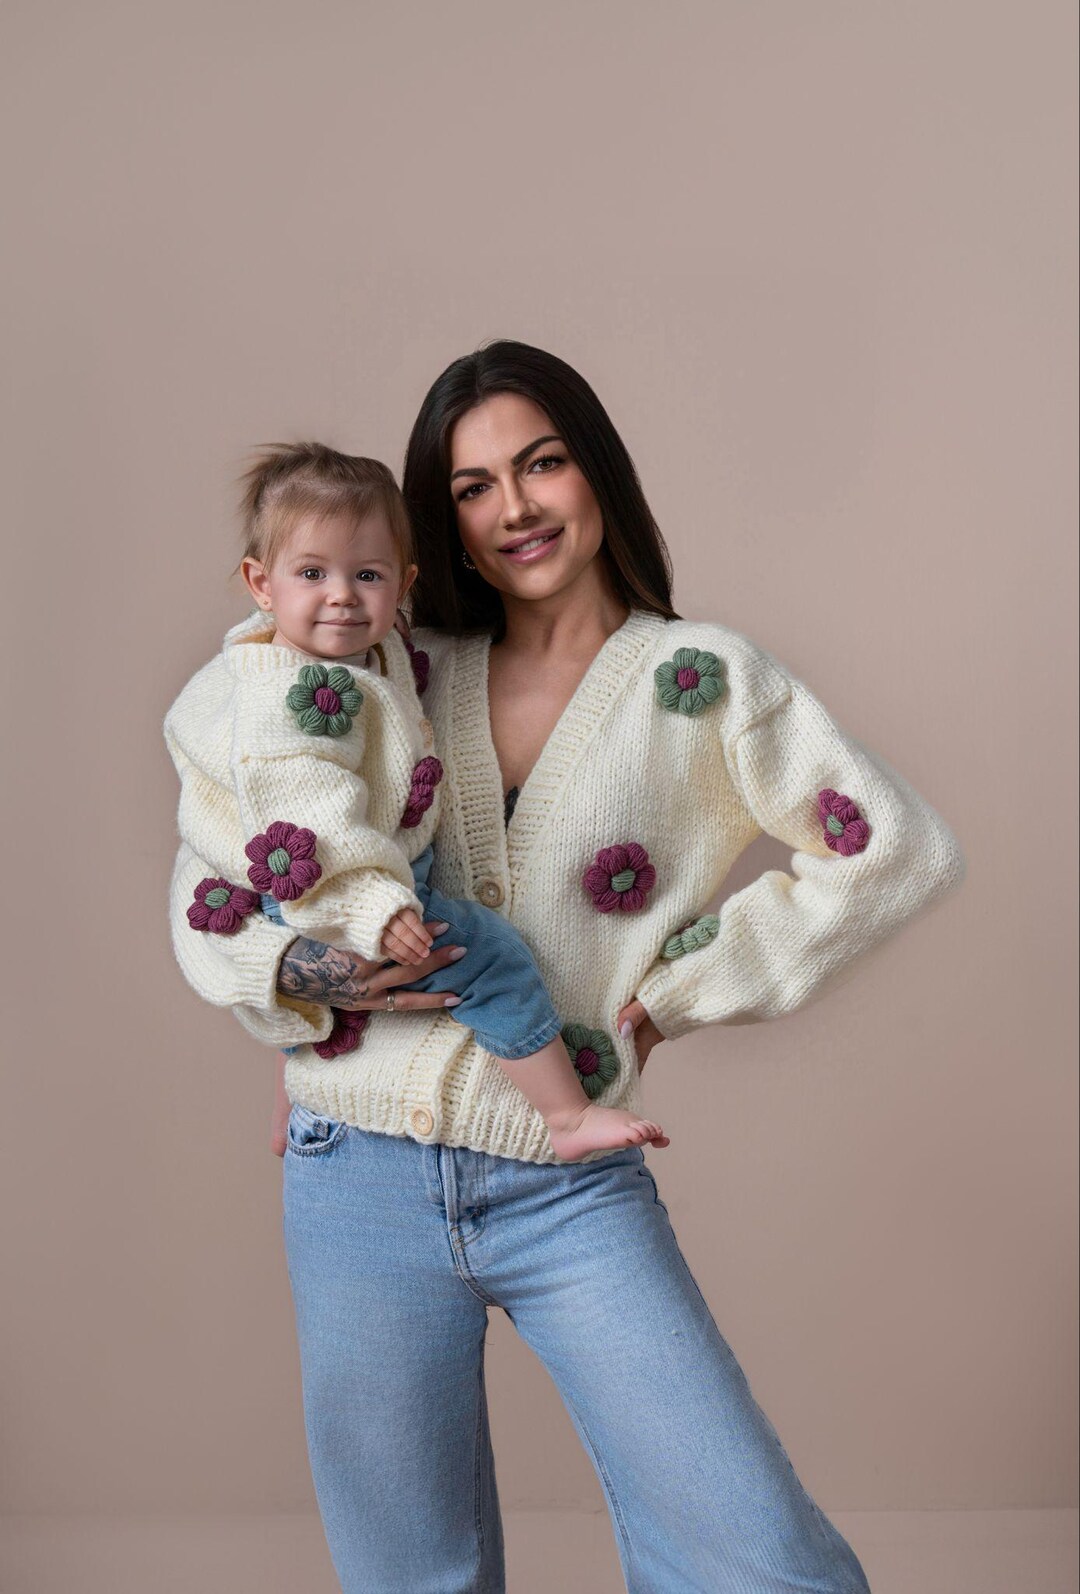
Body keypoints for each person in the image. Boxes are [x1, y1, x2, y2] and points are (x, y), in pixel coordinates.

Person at [167, 341, 964, 1593]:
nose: (518, 507)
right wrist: (301, 982)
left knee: (758, 1559)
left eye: (541, 463)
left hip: (562, 1181)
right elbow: (225, 849)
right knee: (406, 1574)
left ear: (595, 468)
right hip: (352, 1166)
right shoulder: (390, 661)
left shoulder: (701, 680)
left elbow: (894, 848)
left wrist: (677, 990)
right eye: (476, 486)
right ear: (446, 525)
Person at [164, 444, 667, 1161]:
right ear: (260, 584)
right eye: (312, 574)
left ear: (403, 584)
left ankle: (289, 1109)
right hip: (341, 887)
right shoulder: (295, 696)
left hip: (361, 877)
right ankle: (564, 1115)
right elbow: (310, 825)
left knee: (333, 1009)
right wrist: (375, 909)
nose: (341, 595)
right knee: (491, 955)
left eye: (366, 576)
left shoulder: (368, 653)